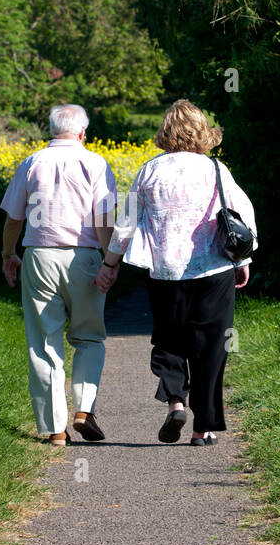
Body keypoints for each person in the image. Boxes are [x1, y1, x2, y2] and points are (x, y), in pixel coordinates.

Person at [93, 99, 257, 446]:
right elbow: (242, 214)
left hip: (165, 271)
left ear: (165, 132)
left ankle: (176, 402)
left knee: (169, 340)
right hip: (213, 269)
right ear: (203, 131)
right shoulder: (215, 169)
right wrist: (244, 261)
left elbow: (126, 223)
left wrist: (110, 264)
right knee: (211, 346)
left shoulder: (149, 171)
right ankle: (203, 428)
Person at [0, 104, 117, 446]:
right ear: (83, 133)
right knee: (89, 338)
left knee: (44, 342)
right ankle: (83, 409)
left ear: (51, 130)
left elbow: (13, 219)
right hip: (85, 257)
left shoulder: (32, 162)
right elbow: (103, 218)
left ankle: (55, 430)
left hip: (39, 255)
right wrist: (111, 262)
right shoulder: (96, 162)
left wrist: (9, 254)